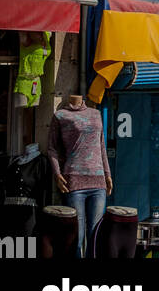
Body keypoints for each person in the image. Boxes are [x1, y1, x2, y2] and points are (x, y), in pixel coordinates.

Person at [47, 94, 113, 258]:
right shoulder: (61, 115)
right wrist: (57, 174)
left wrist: (107, 175)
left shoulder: (95, 113)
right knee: (77, 235)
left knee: (95, 234)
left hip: (98, 182)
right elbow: (52, 149)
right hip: (74, 181)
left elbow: (101, 146)